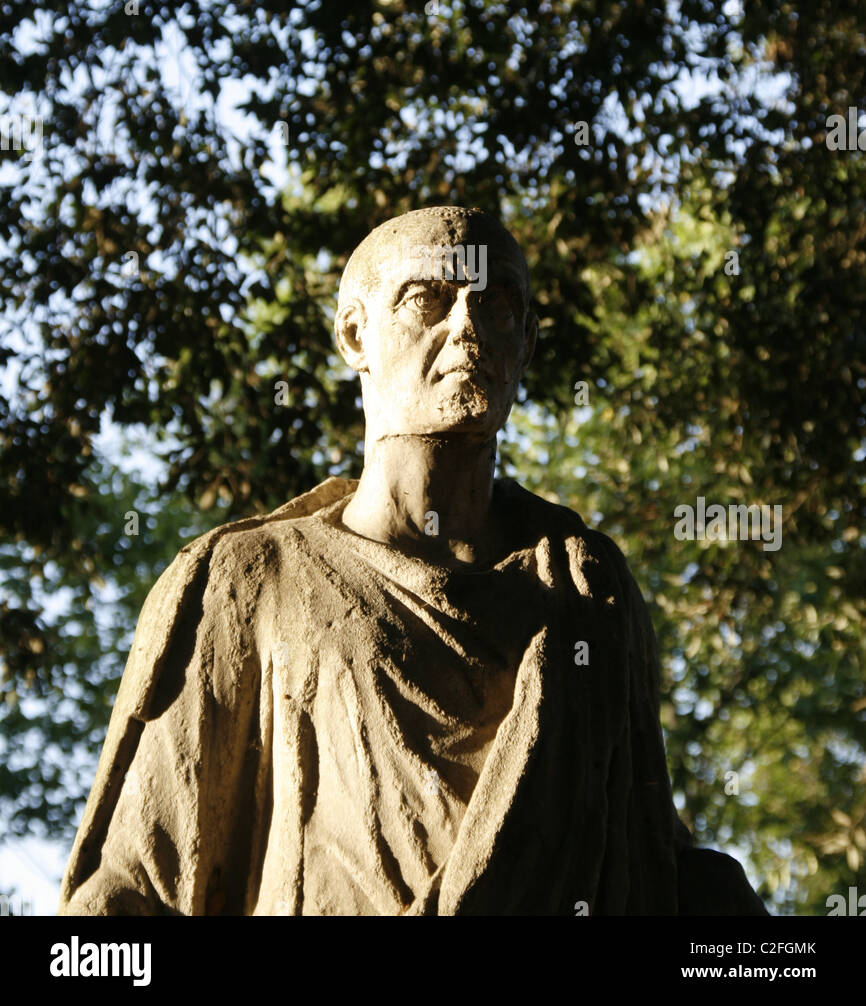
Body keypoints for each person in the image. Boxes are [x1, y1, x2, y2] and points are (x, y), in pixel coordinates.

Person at [59, 205, 767, 916]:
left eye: (495, 307)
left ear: (524, 344)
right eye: (428, 298)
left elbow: (641, 848)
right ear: (354, 333)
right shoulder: (250, 576)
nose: (466, 327)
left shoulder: (585, 585)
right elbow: (139, 880)